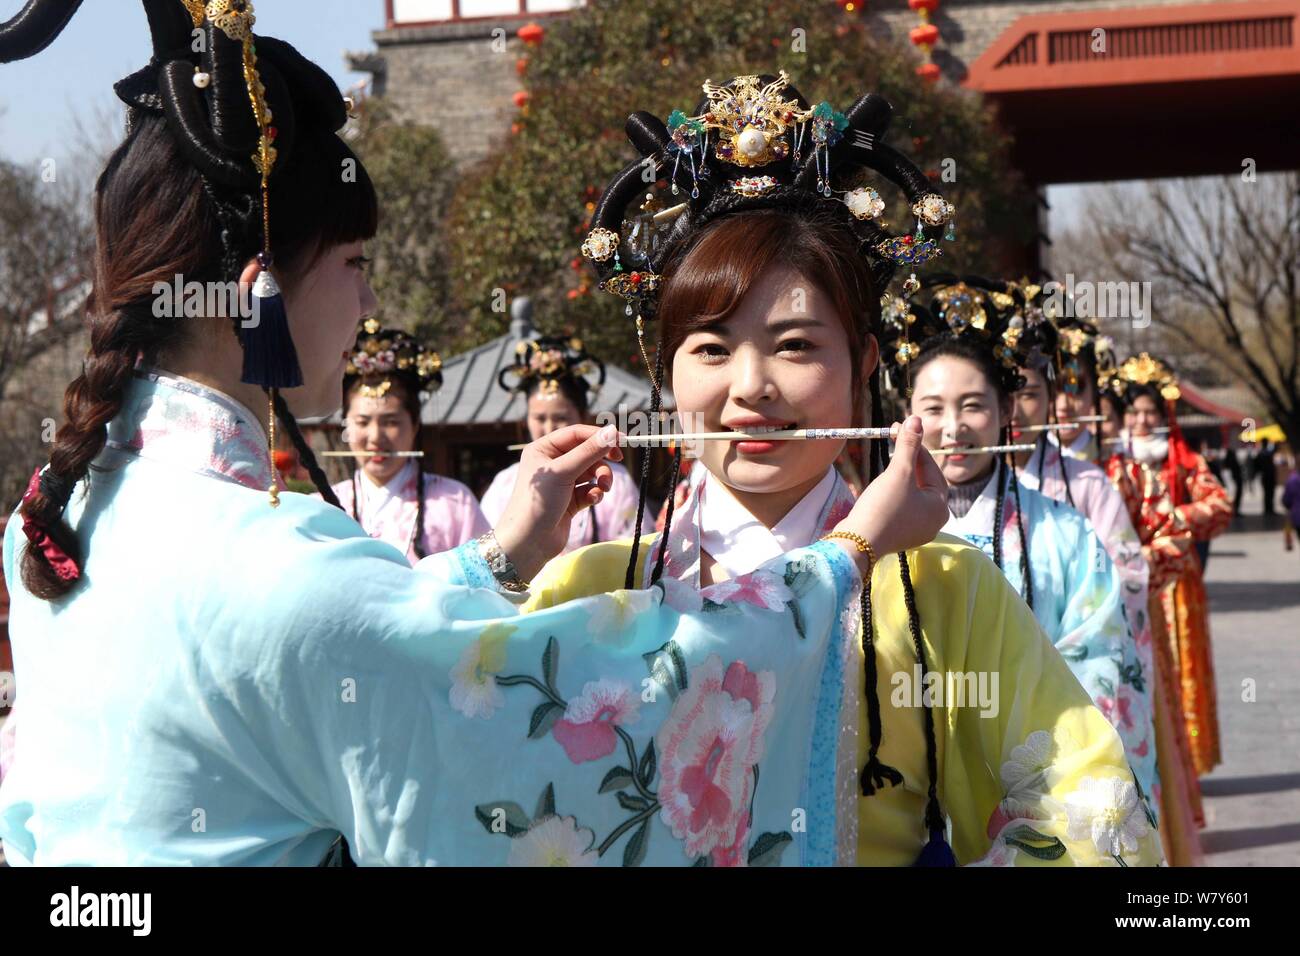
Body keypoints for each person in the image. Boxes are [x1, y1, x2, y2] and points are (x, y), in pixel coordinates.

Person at [0, 3, 948, 866]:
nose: (370, 302)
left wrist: (498, 560)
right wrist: (846, 555)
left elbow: (362, 646)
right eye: (355, 262)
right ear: (259, 294)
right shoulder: (276, 568)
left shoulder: (59, 511)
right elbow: (571, 716)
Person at [527, 72, 1162, 866]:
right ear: (662, 369)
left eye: (795, 345)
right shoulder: (581, 589)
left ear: (863, 362)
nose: (751, 387)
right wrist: (506, 565)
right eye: (712, 348)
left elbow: (1088, 811)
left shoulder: (942, 588)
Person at [879, 277, 1154, 827]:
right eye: (931, 408)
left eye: (974, 405)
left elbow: (1103, 666)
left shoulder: (1066, 532)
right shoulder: (870, 529)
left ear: (1007, 408)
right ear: (906, 414)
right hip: (898, 785)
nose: (953, 429)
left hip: (1033, 782)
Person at [1005, 297, 1157, 827]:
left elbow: (1131, 574)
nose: (1017, 409)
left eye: (1031, 393)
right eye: (1008, 393)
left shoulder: (1086, 481)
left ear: (1050, 400)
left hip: (1074, 676)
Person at [1102, 354, 1231, 782]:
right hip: (1127, 580)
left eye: (1149, 412)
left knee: (1180, 672)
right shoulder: (1110, 463)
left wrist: (1171, 519)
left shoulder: (1183, 461)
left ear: (1163, 416)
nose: (1140, 420)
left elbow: (1219, 506)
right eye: (1134, 412)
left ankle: (1186, 764)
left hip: (1176, 585)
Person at [324, 319, 488, 563]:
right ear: (346, 424)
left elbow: (485, 586)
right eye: (362, 422)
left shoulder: (454, 502)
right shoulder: (325, 506)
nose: (375, 437)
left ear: (415, 426)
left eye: (391, 422)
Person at [480, 335, 643, 556]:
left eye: (560, 417)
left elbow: (634, 552)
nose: (549, 428)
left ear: (583, 416)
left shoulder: (615, 481)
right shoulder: (505, 484)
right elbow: (487, 557)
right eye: (539, 418)